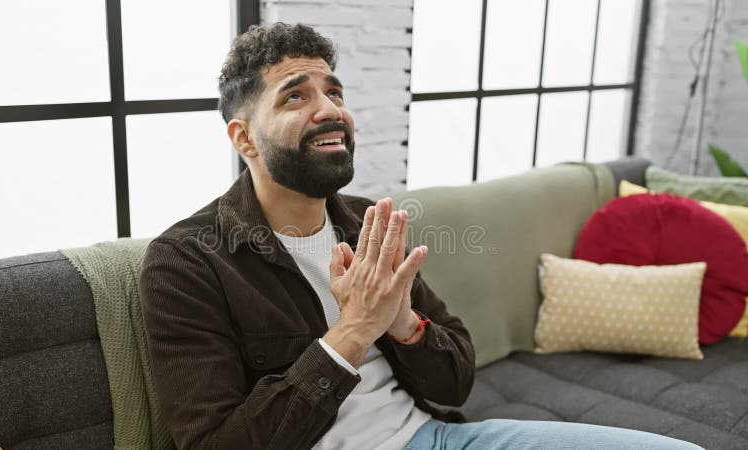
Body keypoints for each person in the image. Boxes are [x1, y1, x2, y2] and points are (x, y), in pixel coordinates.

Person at [138, 23, 703, 450]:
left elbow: (455, 381)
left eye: (334, 93)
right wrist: (355, 329)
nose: (330, 110)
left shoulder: (368, 225)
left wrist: (402, 322)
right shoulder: (188, 262)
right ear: (245, 139)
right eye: (295, 96)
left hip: (433, 439)